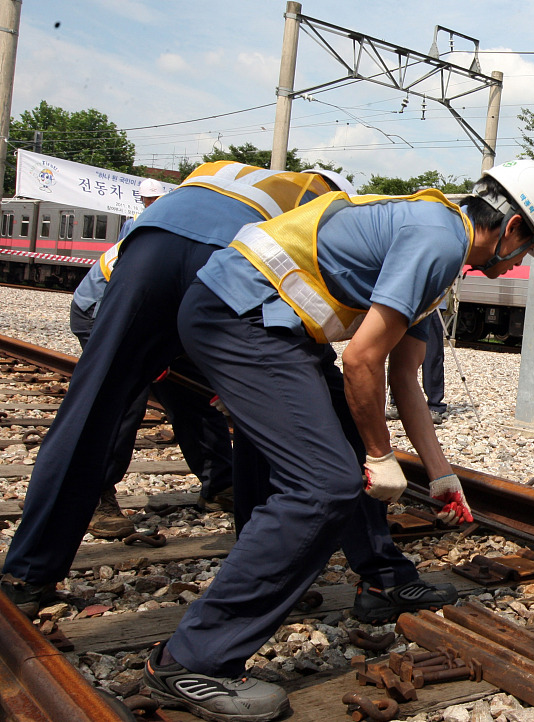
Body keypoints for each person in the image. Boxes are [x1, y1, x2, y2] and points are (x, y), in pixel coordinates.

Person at [138, 159, 534, 722]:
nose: (514, 265)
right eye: (523, 250)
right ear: (510, 229)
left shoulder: (438, 240)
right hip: (241, 317)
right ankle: (191, 662)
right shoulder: (437, 242)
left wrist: (440, 475)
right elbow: (361, 361)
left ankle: (368, 581)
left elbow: (404, 381)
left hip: (264, 321)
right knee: (326, 484)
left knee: (328, 464)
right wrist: (380, 456)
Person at [1, 162, 353, 623]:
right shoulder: (323, 203)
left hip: (151, 249)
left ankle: (28, 576)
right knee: (269, 418)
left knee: (91, 409)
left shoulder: (228, 172)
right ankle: (266, 571)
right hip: (230, 263)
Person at [70, 183, 235, 539]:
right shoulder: (190, 236)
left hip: (169, 310)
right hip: (105, 311)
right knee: (122, 399)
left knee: (197, 397)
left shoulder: (238, 238)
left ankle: (221, 485)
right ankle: (94, 498)